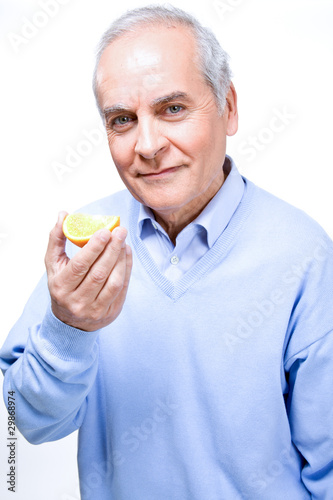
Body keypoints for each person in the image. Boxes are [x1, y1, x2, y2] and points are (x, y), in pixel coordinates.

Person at [1, 4, 333, 499]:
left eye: (172, 109)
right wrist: (68, 328)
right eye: (122, 120)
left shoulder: (306, 257)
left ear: (230, 107)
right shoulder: (87, 248)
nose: (148, 144)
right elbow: (24, 423)